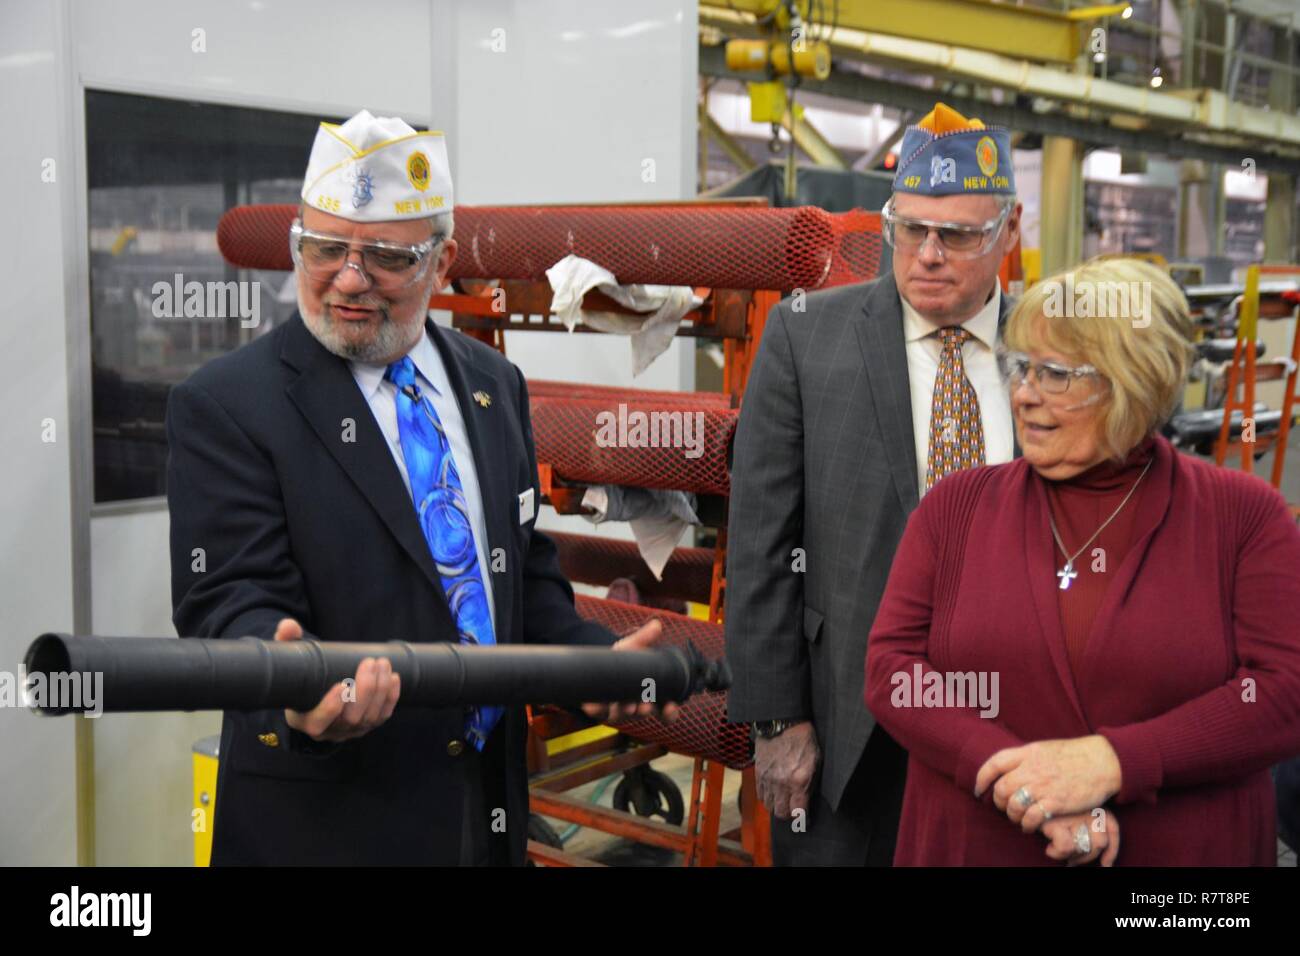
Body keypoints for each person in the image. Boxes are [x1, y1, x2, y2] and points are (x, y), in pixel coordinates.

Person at [167, 109, 674, 866]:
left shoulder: (490, 384)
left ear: (443, 262)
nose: (348, 279)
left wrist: (589, 665)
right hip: (326, 823)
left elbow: (520, 578)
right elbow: (228, 599)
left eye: (385, 259)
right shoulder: (230, 405)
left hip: (481, 812)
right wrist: (295, 689)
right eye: (324, 248)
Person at [866, 257, 1300, 865]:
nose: (1024, 394)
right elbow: (893, 671)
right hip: (980, 844)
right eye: (1020, 368)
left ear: (1135, 382)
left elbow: (1282, 693)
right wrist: (1024, 783)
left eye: (1057, 375)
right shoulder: (955, 508)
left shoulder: (1243, 516)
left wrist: (1112, 763)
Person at [725, 103, 1022, 864]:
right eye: (909, 228)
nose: (926, 253)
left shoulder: (1044, 348)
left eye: (956, 235)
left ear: (1009, 233)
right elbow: (761, 540)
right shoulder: (805, 337)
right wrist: (775, 720)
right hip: (846, 728)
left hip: (1012, 724)